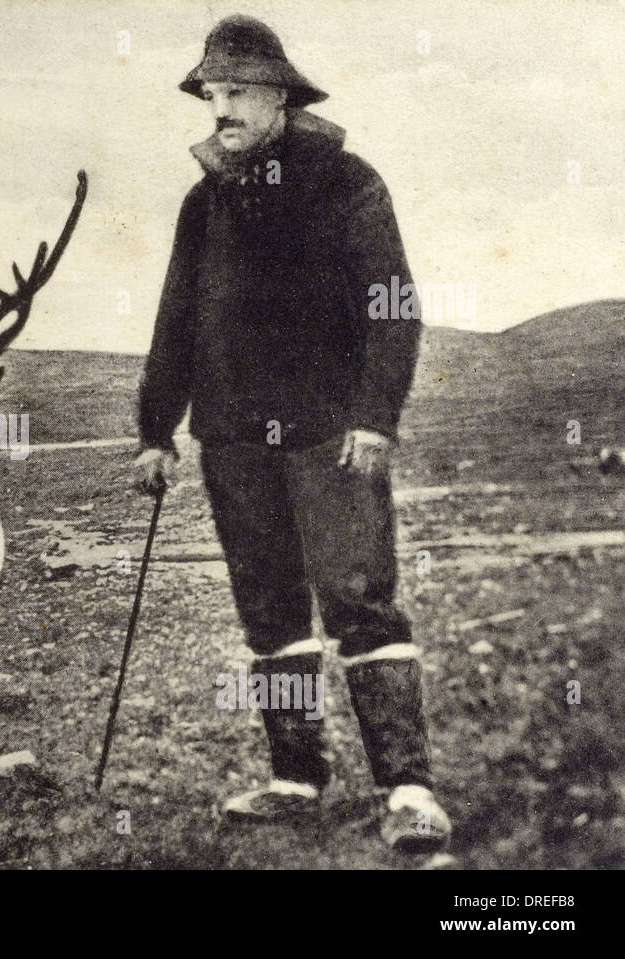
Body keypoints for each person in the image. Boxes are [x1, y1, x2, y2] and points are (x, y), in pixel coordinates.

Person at [133, 13, 450, 852]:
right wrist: (155, 428)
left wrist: (377, 417)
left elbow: (393, 307)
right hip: (232, 435)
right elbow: (176, 320)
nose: (219, 107)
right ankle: (295, 779)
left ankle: (410, 788)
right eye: (213, 92)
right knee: (269, 610)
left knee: (358, 599)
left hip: (330, 434)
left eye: (235, 91)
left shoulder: (348, 183)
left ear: (279, 97)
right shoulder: (205, 201)